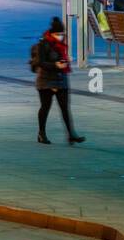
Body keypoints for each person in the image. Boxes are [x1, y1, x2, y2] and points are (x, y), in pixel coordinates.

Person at [33, 17, 85, 145]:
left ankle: (71, 134)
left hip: (61, 79)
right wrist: (56, 65)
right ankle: (41, 133)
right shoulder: (43, 44)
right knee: (45, 107)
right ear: (52, 34)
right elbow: (40, 63)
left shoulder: (62, 44)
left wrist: (64, 63)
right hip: (45, 81)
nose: (61, 37)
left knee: (65, 108)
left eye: (62, 34)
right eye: (58, 35)